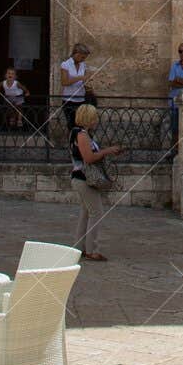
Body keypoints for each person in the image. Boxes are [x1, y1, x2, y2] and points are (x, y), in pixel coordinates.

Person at [70, 103, 123, 262]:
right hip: (84, 178)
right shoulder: (82, 134)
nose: (96, 120)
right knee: (96, 213)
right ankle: (92, 249)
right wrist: (107, 151)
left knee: (86, 213)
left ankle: (79, 248)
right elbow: (89, 158)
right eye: (94, 117)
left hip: (80, 177)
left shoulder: (79, 133)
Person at [59, 43, 92, 133]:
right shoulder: (65, 64)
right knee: (72, 125)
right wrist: (80, 78)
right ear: (76, 54)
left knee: (81, 125)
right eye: (82, 57)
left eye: (84, 58)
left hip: (81, 99)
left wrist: (88, 82)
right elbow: (64, 82)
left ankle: (80, 145)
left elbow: (85, 80)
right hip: (69, 99)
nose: (83, 60)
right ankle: (73, 144)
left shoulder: (83, 65)